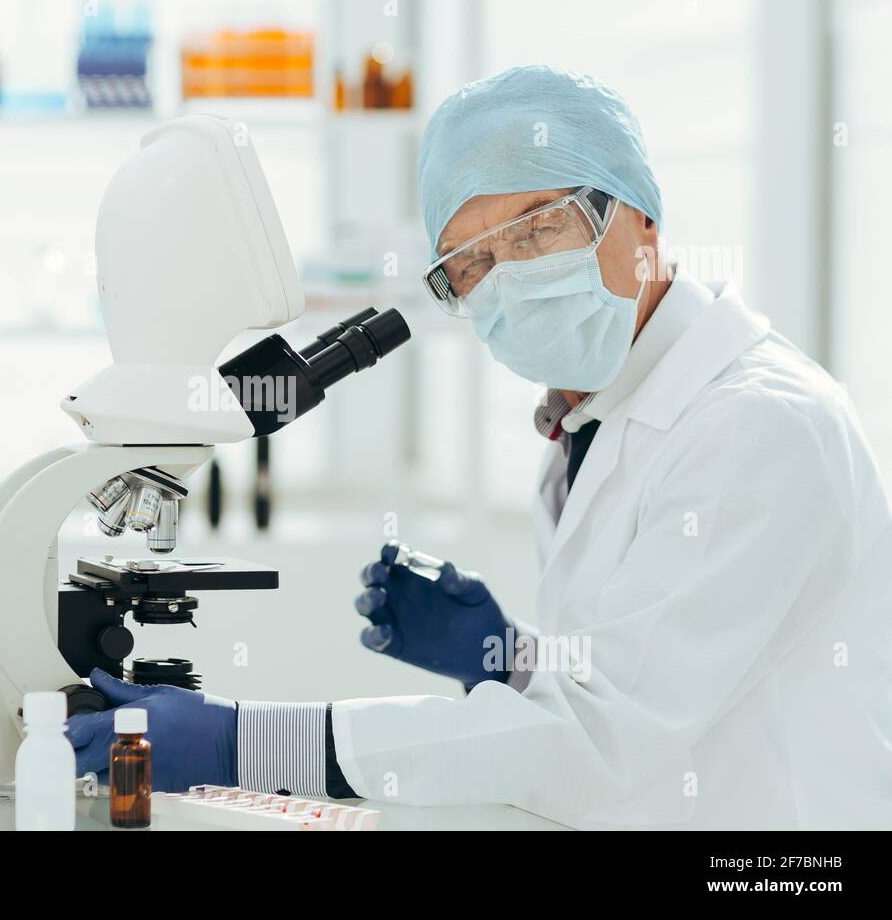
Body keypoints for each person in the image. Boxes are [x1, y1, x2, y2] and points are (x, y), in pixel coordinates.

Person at [64, 65, 892, 829]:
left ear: (640, 215)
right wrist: (512, 656)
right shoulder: (587, 416)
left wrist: (247, 744)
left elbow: (601, 741)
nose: (508, 278)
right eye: (471, 263)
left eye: (537, 231)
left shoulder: (761, 427)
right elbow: (641, 677)